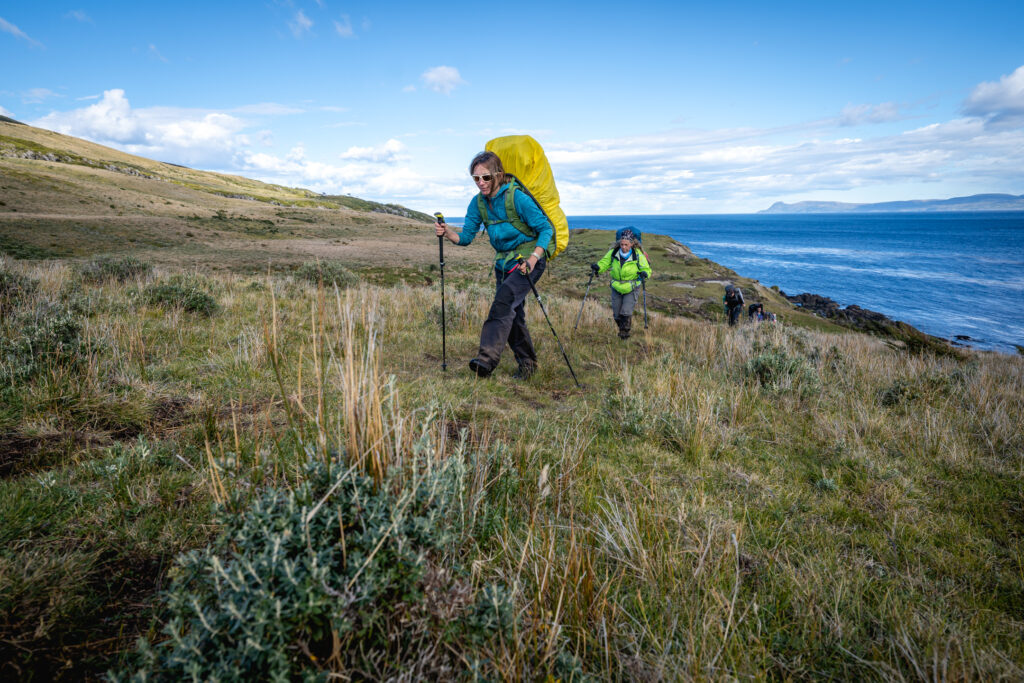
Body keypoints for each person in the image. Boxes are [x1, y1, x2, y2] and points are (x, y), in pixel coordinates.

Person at [434, 151, 553, 379]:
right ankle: (528, 365)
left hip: (528, 260)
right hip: (503, 263)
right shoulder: (478, 203)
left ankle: (485, 360)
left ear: (498, 175)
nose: (481, 183)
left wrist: (532, 259)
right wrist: (447, 232)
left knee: (504, 302)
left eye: (485, 178)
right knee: (513, 314)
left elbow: (545, 229)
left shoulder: (518, 198)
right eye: (476, 179)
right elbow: (466, 238)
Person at [591, 228, 652, 339]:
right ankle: (622, 328)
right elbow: (604, 263)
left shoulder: (638, 255)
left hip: (632, 286)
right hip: (616, 286)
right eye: (622, 244)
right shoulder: (613, 252)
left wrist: (644, 274)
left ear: (632, 244)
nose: (623, 247)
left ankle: (624, 335)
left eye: (626, 245)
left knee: (626, 312)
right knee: (617, 315)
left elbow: (646, 269)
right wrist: (598, 267)